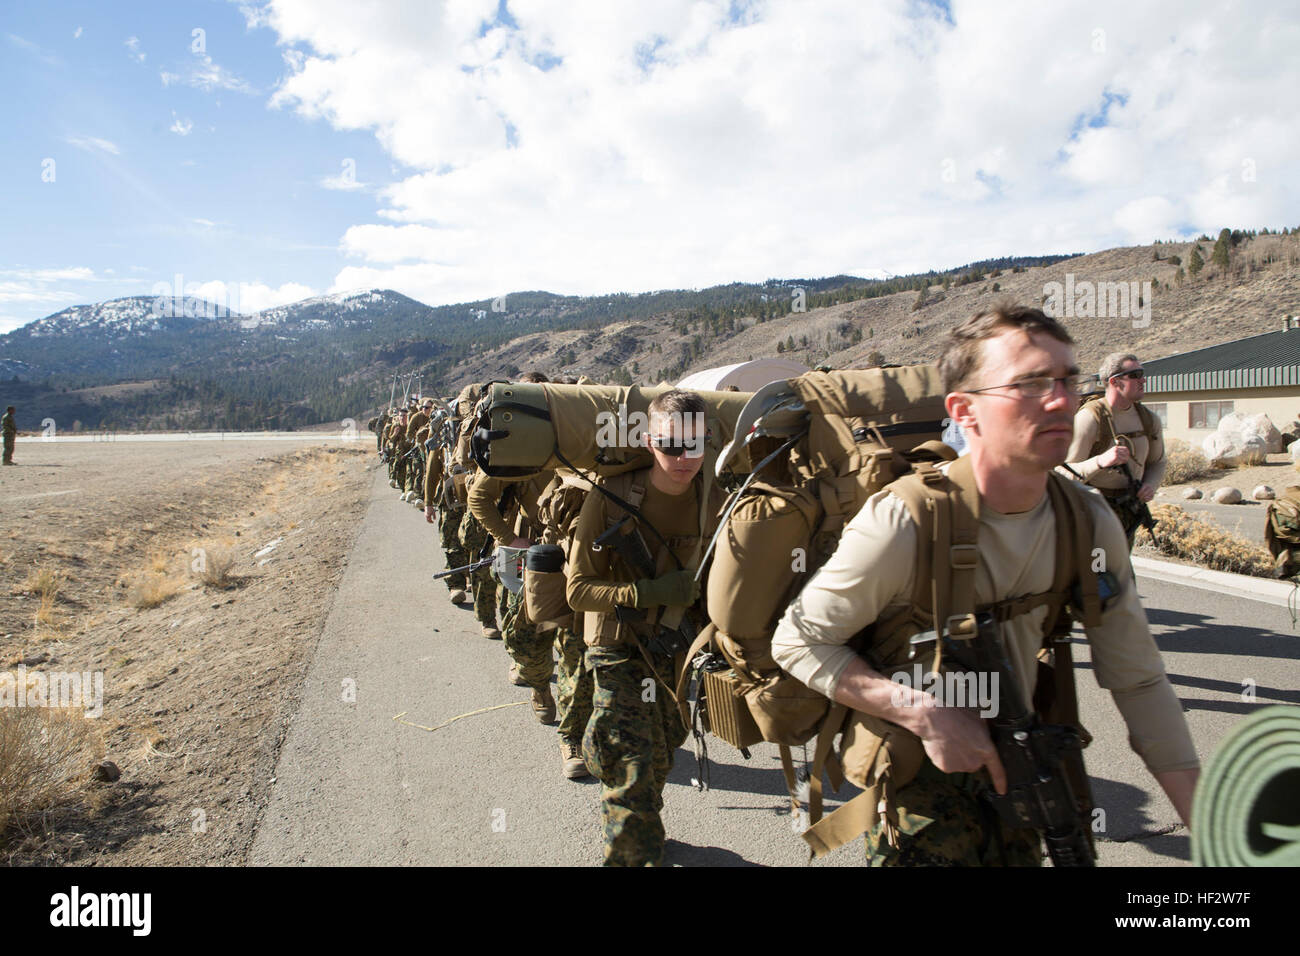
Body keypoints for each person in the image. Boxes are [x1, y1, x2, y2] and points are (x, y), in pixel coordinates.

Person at [771, 305, 1199, 866]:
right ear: (964, 411)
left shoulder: (1087, 519)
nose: (1059, 400)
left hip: (1021, 775)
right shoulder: (908, 519)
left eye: (1067, 380)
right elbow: (797, 641)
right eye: (1029, 383)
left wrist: (1216, 834)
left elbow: (1140, 682)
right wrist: (922, 712)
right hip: (919, 792)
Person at [565, 389, 722, 866]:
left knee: (660, 755)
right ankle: (634, 849)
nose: (683, 458)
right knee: (630, 764)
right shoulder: (612, 498)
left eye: (694, 445)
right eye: (670, 446)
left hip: (677, 651)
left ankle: (642, 828)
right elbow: (578, 590)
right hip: (617, 648)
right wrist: (645, 594)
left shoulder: (715, 498)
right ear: (649, 441)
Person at [1064, 353, 1165, 548]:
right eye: (1135, 375)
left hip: (1129, 509)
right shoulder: (1091, 418)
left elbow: (1158, 461)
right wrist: (1101, 461)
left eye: (1142, 373)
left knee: (1120, 573)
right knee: (1098, 572)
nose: (1143, 380)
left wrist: (1150, 485)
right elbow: (1063, 473)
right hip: (1093, 510)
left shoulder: (1149, 419)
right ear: (1115, 381)